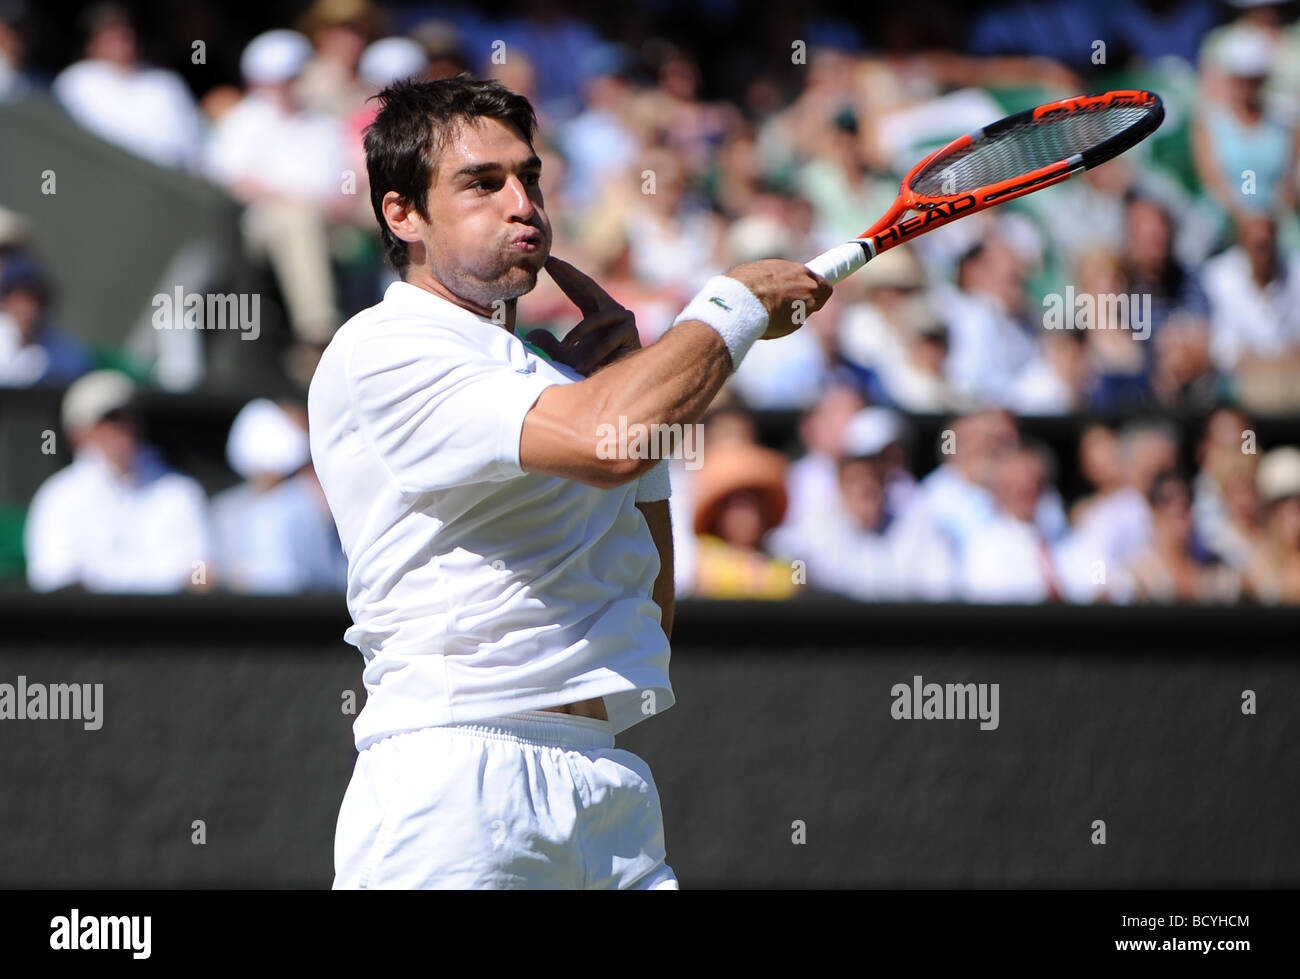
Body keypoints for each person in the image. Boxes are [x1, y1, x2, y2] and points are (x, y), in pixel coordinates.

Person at [308, 77, 830, 889]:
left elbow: (649, 603)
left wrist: (634, 381)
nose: (523, 204)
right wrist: (734, 305)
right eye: (482, 183)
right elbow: (604, 440)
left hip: (607, 783)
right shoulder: (385, 345)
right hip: (454, 787)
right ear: (402, 213)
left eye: (531, 178)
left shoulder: (553, 375)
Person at [25, 370, 212, 593]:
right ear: (79, 433)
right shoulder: (59, 498)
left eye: (129, 416)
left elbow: (203, 575)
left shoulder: (180, 492)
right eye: (109, 419)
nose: (124, 428)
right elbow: (54, 579)